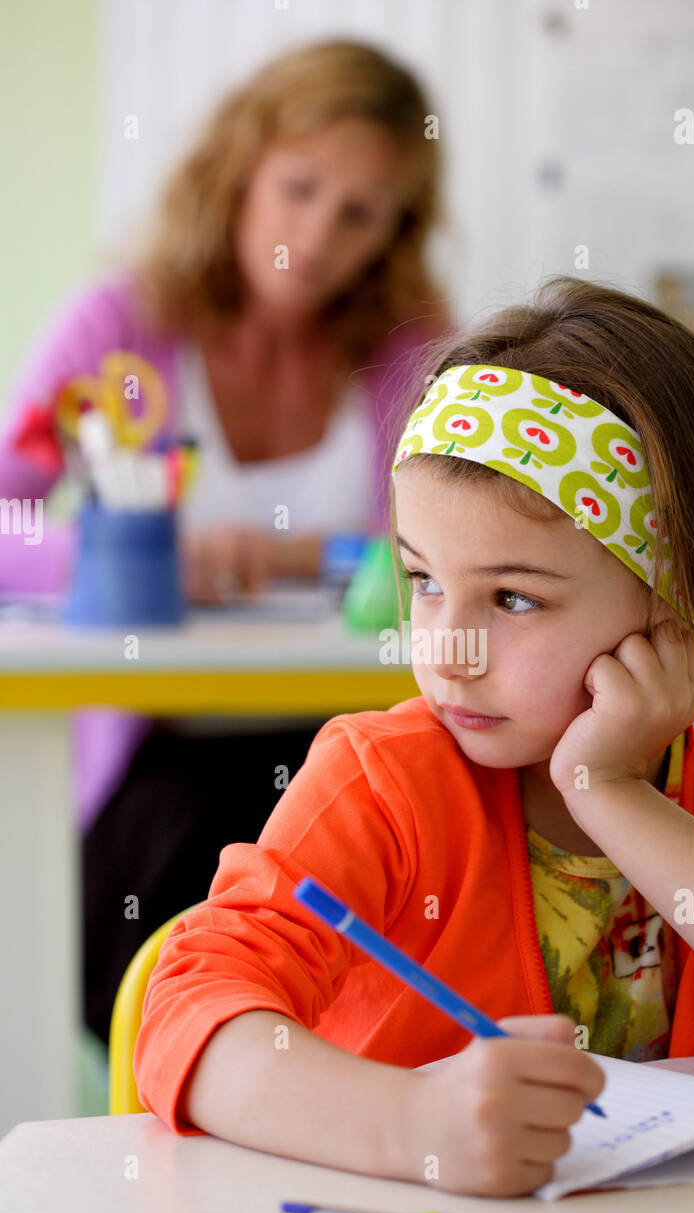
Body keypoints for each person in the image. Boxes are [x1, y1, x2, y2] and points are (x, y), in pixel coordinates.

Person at [133, 276, 694, 1198]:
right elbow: (189, 1010)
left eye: (514, 598)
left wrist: (614, 794)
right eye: (424, 580)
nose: (446, 648)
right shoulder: (380, 785)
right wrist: (412, 1127)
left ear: (680, 602)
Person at [0, 39, 450, 1043]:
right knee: (195, 979)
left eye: (359, 212)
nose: (316, 234)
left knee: (410, 938)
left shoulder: (406, 345)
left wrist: (295, 554)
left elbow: (452, 545)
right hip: (165, 765)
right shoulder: (118, 325)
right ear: (238, 169)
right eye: (297, 187)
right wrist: (119, 557)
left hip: (355, 755)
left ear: (393, 229)